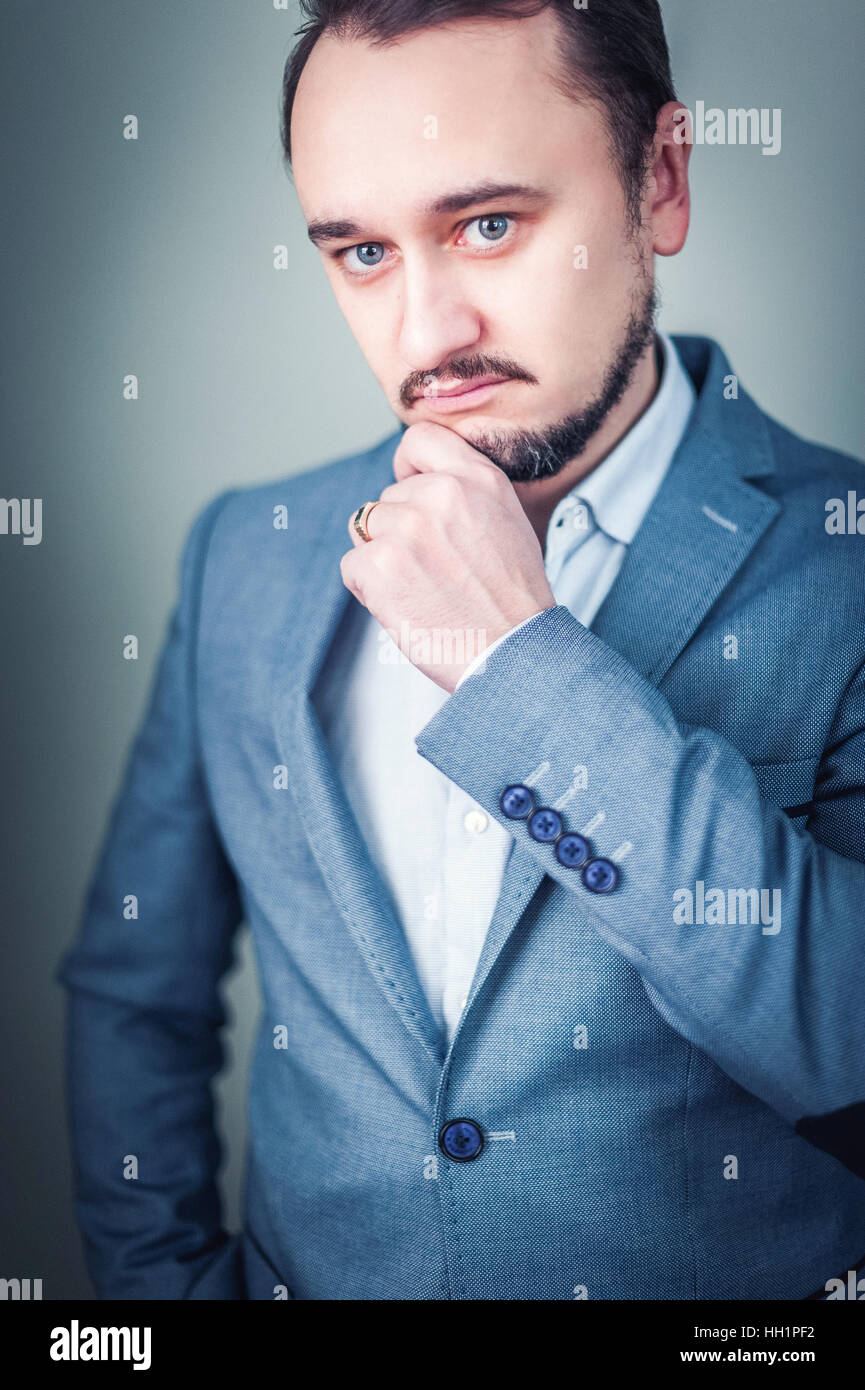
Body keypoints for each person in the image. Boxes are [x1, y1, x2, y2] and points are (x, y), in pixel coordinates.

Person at [58, 0, 865, 1300]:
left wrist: (522, 670)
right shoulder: (243, 555)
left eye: (487, 225)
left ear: (658, 181)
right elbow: (133, 986)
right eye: (361, 252)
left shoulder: (846, 560)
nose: (424, 335)